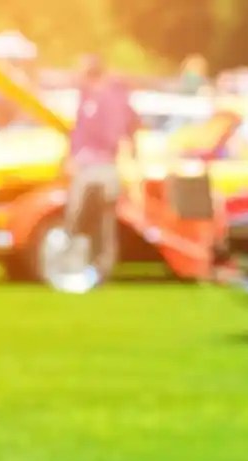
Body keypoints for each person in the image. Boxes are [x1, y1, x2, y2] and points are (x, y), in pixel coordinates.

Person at [62, 53, 140, 290]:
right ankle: (82, 264)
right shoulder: (86, 98)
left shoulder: (109, 99)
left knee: (100, 220)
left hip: (102, 165)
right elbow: (78, 133)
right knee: (81, 217)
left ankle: (98, 268)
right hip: (89, 165)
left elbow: (118, 133)